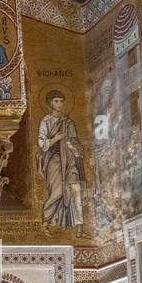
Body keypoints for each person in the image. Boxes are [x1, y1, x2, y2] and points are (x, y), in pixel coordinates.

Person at [37, 91, 86, 228]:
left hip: (70, 159)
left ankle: (79, 228)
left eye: (61, 101)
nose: (59, 104)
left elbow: (74, 140)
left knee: (76, 190)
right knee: (58, 192)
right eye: (56, 101)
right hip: (54, 159)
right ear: (50, 103)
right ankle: (46, 222)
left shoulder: (68, 121)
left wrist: (76, 150)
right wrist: (56, 139)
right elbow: (42, 144)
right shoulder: (46, 121)